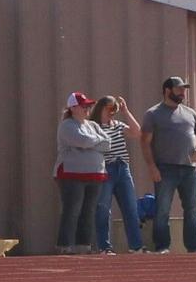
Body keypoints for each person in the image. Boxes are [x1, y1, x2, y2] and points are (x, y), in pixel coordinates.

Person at [140, 76, 196, 253]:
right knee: (162, 210)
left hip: (189, 169)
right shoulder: (153, 114)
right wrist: (152, 167)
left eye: (184, 89)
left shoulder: (190, 113)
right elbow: (145, 142)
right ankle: (162, 246)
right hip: (165, 168)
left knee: (192, 210)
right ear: (168, 91)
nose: (183, 93)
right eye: (179, 89)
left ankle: (195, 246)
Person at [53, 91, 110, 254]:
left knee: (89, 210)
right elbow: (82, 141)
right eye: (83, 106)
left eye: (88, 106)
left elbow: (108, 143)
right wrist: (95, 142)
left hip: (95, 174)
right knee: (72, 210)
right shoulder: (67, 125)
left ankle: (83, 244)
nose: (87, 108)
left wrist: (92, 143)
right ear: (73, 108)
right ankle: (65, 244)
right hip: (71, 175)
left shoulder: (93, 125)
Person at [90, 95, 145, 254]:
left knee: (130, 208)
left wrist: (126, 111)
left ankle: (136, 246)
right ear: (101, 108)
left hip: (122, 168)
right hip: (105, 169)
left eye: (115, 109)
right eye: (109, 109)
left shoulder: (117, 125)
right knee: (103, 208)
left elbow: (137, 132)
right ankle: (104, 247)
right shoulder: (93, 126)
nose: (112, 112)